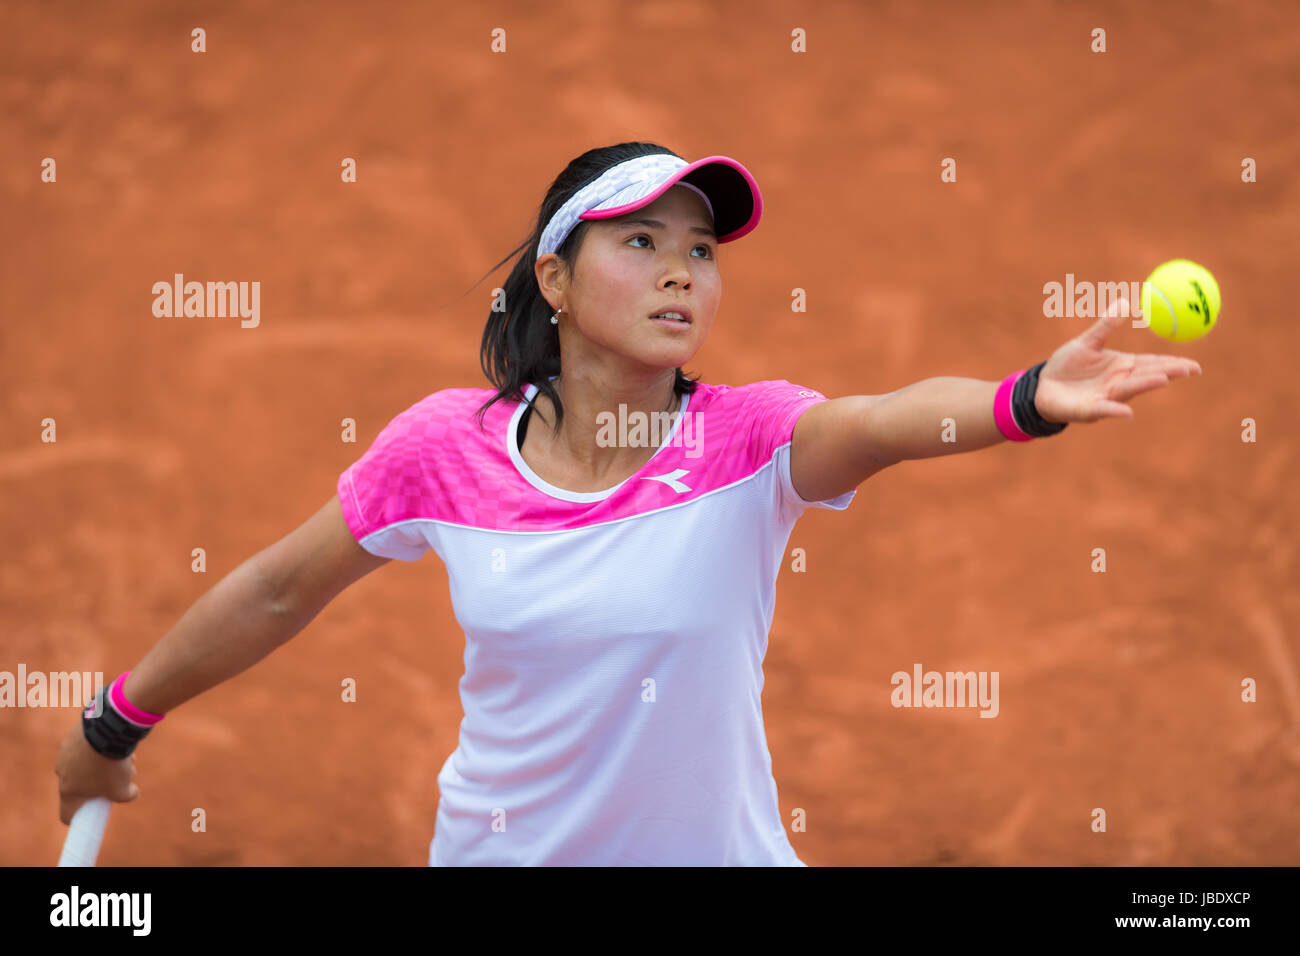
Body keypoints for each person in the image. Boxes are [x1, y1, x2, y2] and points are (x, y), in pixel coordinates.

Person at [55, 141, 1202, 865]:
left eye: (700, 251)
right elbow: (273, 587)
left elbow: (880, 420)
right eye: (641, 241)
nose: (680, 271)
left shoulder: (746, 438)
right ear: (552, 278)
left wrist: (1022, 400)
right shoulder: (443, 449)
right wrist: (115, 722)